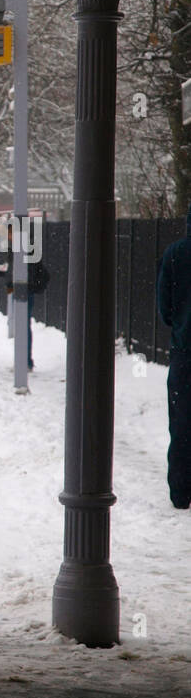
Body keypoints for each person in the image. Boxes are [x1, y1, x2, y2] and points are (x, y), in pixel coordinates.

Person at [157, 209, 191, 509]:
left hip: (185, 351)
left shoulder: (174, 255)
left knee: (181, 423)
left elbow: (164, 309)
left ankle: (180, 491)